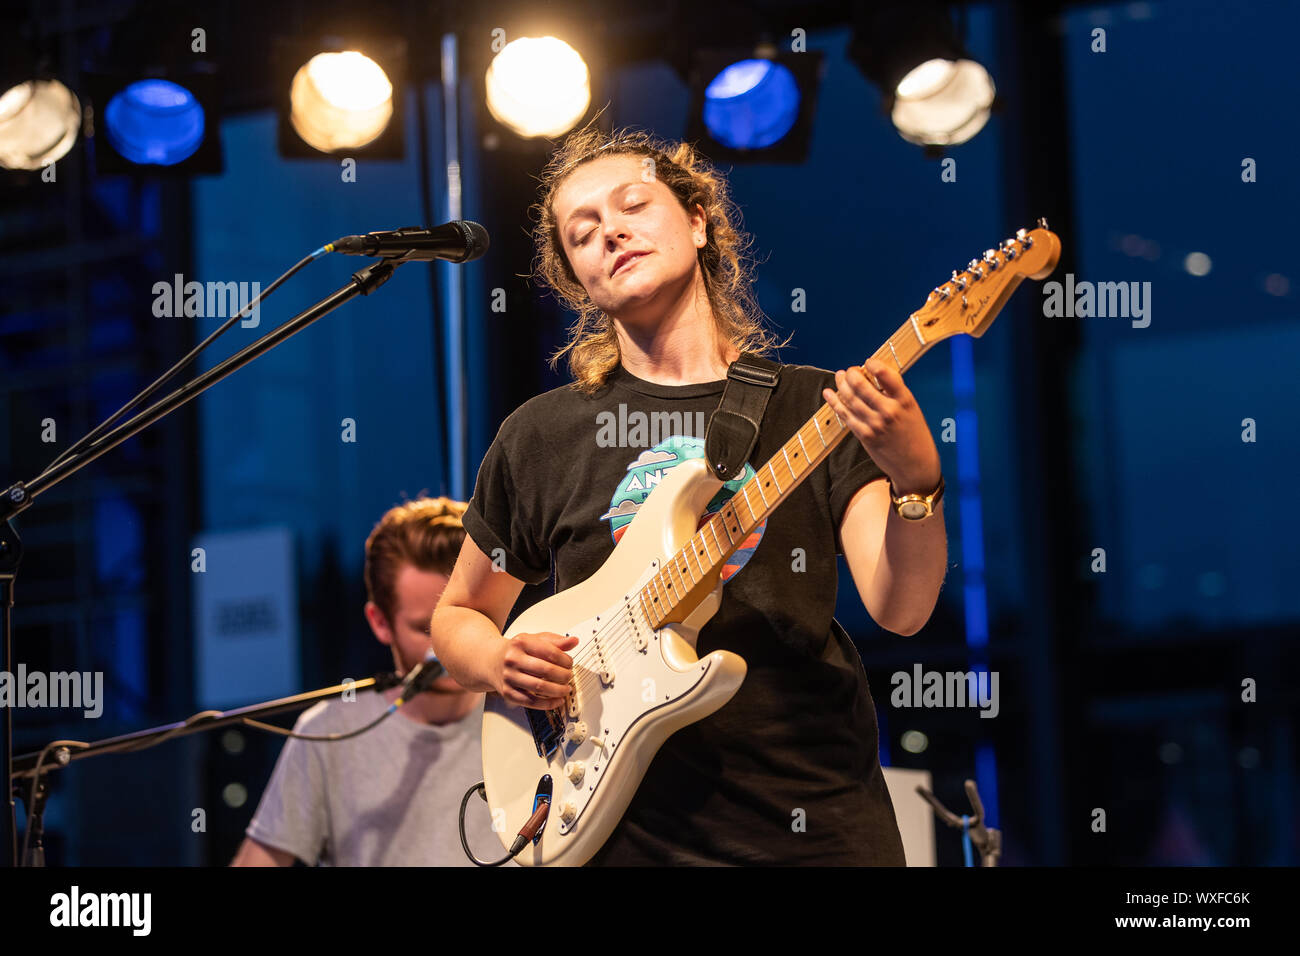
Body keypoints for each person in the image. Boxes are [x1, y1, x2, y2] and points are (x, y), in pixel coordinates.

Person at [430, 127, 948, 865]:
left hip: (814, 829)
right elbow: (459, 615)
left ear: (700, 222)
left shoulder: (813, 406)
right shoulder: (540, 435)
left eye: (634, 205)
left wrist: (916, 482)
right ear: (577, 277)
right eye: (583, 233)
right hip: (624, 836)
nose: (610, 231)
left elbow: (902, 608)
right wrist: (496, 662)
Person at [232, 497, 505, 866]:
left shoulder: (530, 718)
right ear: (379, 622)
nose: (446, 644)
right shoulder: (327, 732)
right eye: (427, 628)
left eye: (468, 617)